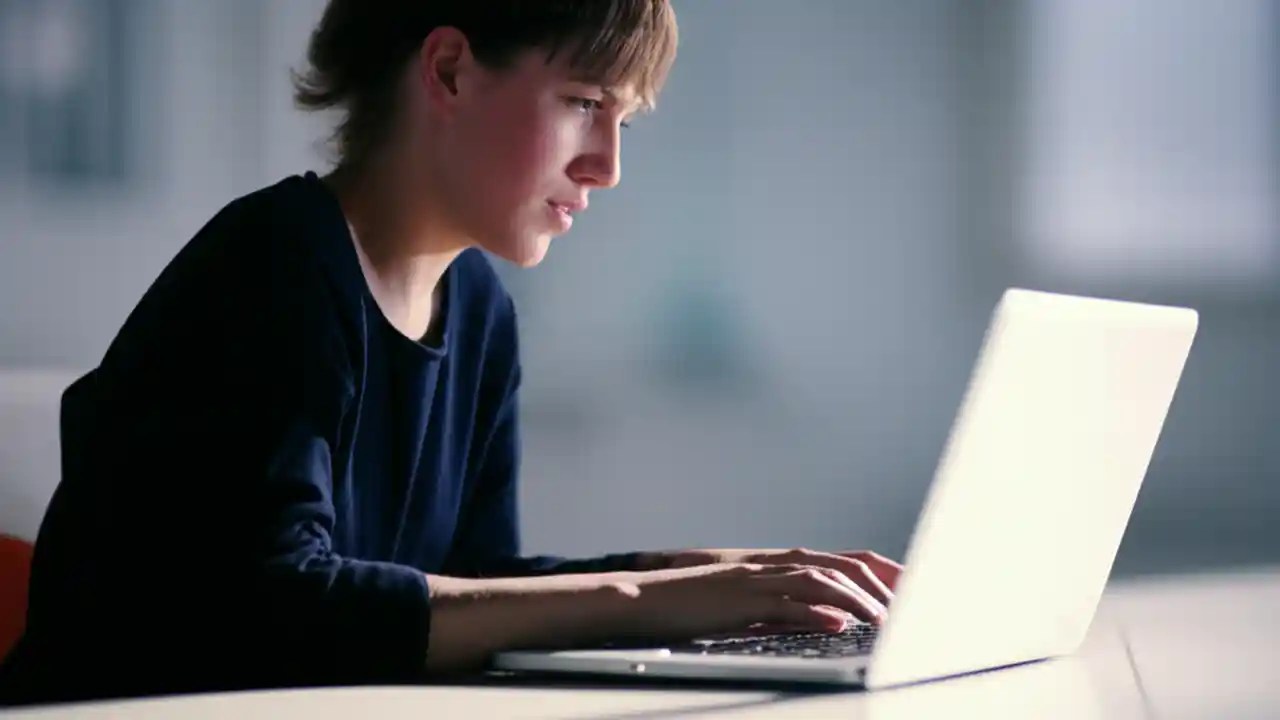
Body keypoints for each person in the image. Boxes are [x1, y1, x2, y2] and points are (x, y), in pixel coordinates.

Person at [0, 0, 902, 706]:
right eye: (586, 103)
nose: (607, 166)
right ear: (449, 70)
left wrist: (707, 574)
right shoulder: (274, 265)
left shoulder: (478, 307)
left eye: (623, 120)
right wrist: (647, 602)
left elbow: (471, 592)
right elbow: (275, 607)